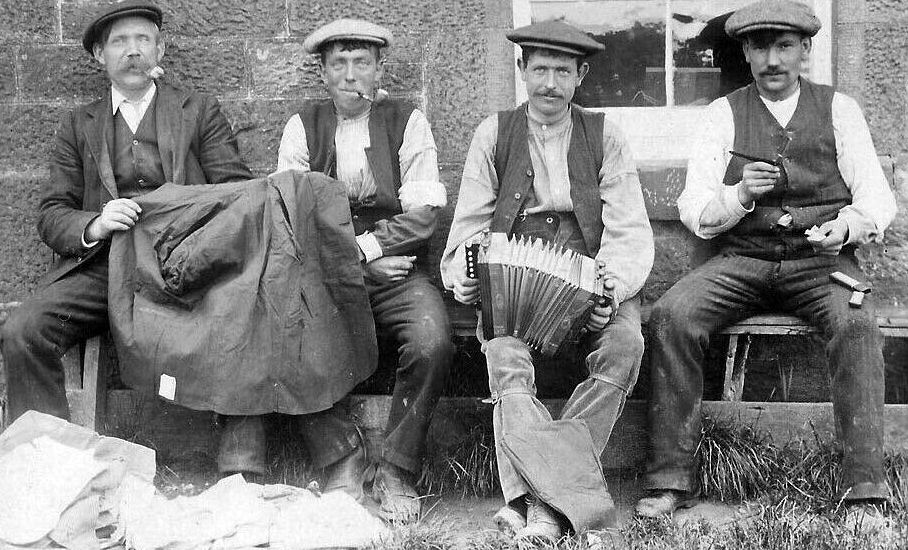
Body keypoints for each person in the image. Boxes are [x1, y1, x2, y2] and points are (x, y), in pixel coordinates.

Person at [635, 0, 897, 529]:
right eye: (760, 47)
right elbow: (696, 212)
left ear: (805, 51)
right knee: (671, 316)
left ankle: (865, 491)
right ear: (747, 54)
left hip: (818, 263)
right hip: (743, 259)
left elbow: (878, 198)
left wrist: (845, 228)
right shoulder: (723, 114)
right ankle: (668, 479)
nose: (773, 60)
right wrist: (738, 197)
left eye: (784, 47)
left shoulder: (839, 109)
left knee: (857, 323)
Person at [0, 0, 256, 469]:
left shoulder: (197, 112)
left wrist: (182, 218)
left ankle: (239, 468)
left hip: (185, 265)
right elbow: (51, 213)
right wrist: (95, 222)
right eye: (119, 42)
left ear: (160, 47)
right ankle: (50, 467)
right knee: (23, 330)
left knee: (243, 305)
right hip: (106, 269)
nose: (132, 51)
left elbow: (238, 195)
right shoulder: (79, 124)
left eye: (143, 39)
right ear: (100, 56)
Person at [441, 20, 654, 542]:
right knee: (504, 354)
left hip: (592, 277)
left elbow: (629, 230)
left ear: (581, 75)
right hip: (516, 286)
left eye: (563, 71)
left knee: (625, 343)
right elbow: (469, 227)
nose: (550, 84)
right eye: (540, 69)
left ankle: (533, 501)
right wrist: (466, 278)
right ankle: (547, 502)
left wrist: (610, 290)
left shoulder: (606, 135)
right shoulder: (493, 134)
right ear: (522, 71)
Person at [276, 18, 454, 522]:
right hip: (326, 273)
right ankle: (341, 458)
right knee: (284, 331)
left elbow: (423, 212)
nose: (350, 75)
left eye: (361, 64)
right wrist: (351, 263)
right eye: (339, 64)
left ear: (379, 71)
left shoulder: (407, 120)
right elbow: (287, 214)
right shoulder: (302, 125)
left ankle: (398, 470)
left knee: (432, 340)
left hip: (396, 268)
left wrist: (368, 251)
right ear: (323, 74)